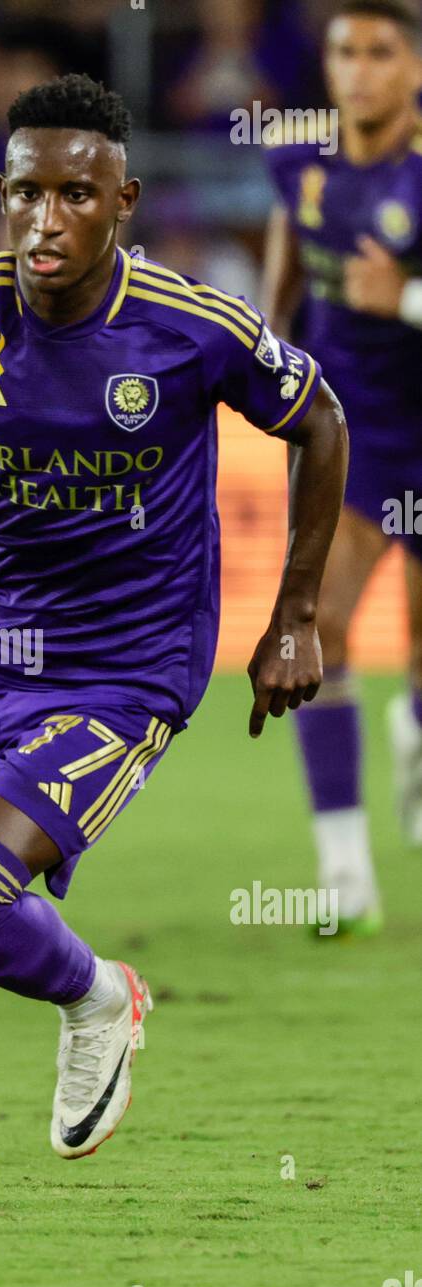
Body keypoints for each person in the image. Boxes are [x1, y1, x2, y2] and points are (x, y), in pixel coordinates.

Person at [0, 74, 347, 1203]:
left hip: (125, 665)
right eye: (23, 193)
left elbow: (319, 418)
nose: (44, 221)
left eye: (74, 194)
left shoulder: (191, 328)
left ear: (123, 200)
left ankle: (98, 995)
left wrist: (295, 614)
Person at [262, 0, 422, 933]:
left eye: (379, 54)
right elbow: (281, 302)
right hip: (350, 442)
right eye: (343, 53)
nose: (357, 71)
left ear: (412, 70)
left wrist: (402, 295)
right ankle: (345, 875)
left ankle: (414, 736)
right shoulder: (300, 163)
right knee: (316, 632)